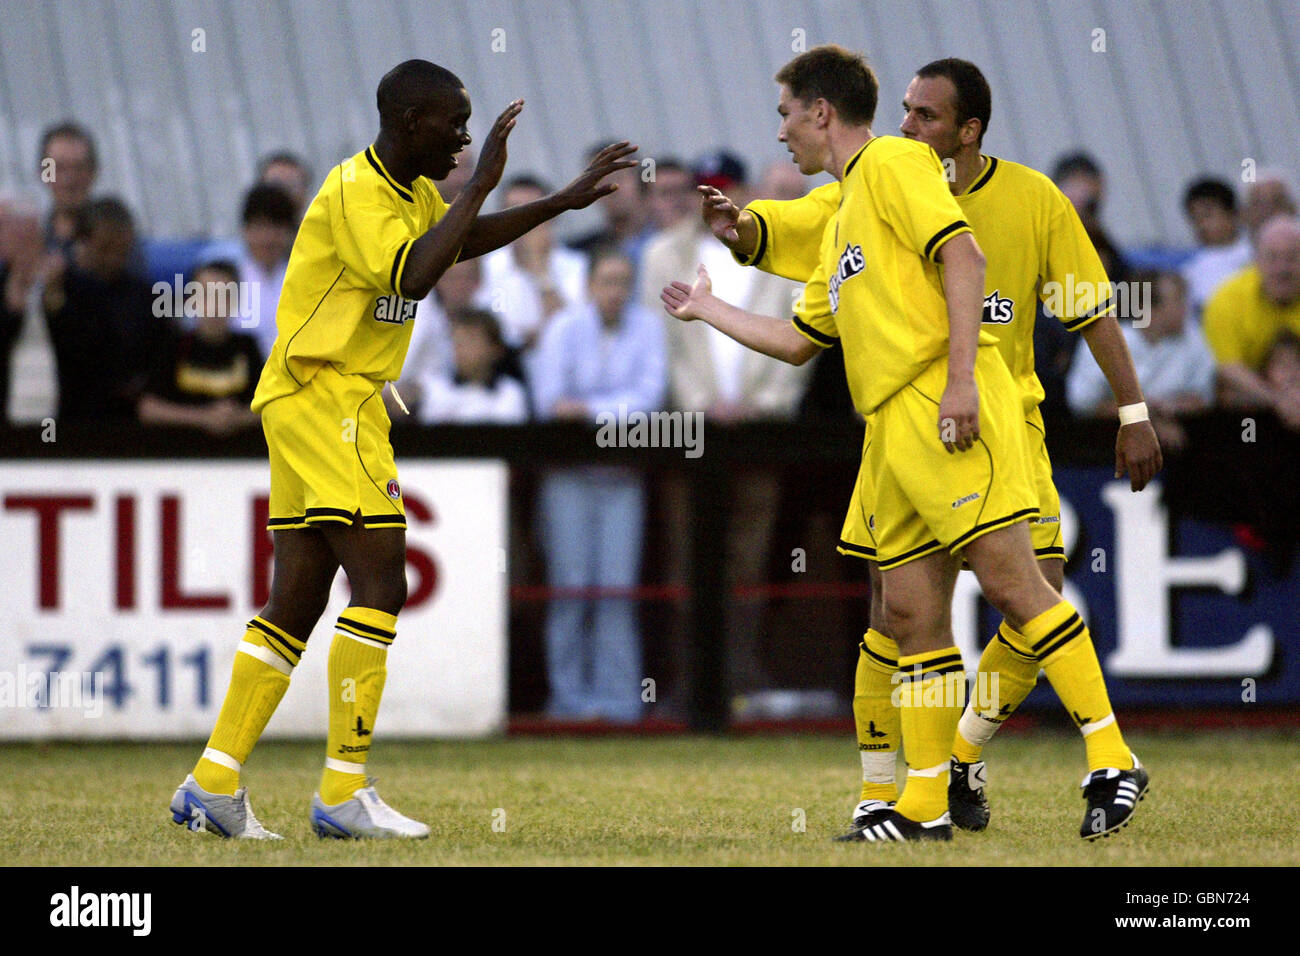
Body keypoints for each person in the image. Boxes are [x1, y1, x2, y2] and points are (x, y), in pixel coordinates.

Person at [664, 46, 1154, 842]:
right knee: (907, 610)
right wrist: (706, 309)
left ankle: (1110, 755)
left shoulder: (896, 165)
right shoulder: (849, 205)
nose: (782, 133)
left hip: (944, 398)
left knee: (1012, 582)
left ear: (820, 112)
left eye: (786, 114)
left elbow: (967, 254)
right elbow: (796, 340)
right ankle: (918, 803)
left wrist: (961, 380)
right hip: (891, 422)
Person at [169, 58, 635, 840]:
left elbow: (455, 243)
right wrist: (482, 181)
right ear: (409, 121)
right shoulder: (355, 189)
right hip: (327, 396)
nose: (461, 136)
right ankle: (343, 793)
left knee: (300, 596)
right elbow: (415, 276)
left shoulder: (410, 192)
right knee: (383, 574)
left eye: (465, 127)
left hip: (318, 396)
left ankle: (212, 782)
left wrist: (556, 201)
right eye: (453, 122)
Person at [639, 154, 811, 707]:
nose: (711, 197)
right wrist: (701, 406)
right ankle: (691, 681)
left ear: (743, 190)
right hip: (689, 436)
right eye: (703, 188)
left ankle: (741, 675)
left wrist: (760, 406)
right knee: (686, 558)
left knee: (751, 560)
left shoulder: (777, 254)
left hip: (760, 435)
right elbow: (659, 349)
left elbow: (801, 339)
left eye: (724, 187)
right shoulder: (663, 255)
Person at [532, 247, 666, 722]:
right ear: (588, 285)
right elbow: (550, 400)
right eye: (607, 280)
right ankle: (568, 703)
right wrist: (612, 409)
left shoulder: (649, 327)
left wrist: (587, 409)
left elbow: (650, 401)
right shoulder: (563, 328)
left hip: (623, 476)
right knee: (570, 588)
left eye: (623, 281)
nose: (616, 291)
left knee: (616, 589)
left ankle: (620, 703)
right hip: (567, 476)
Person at [41, 197, 156, 423]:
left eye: (122, 251)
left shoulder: (142, 295)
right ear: (80, 243)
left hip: (129, 423)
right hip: (71, 420)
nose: (114, 259)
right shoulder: (59, 290)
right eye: (104, 249)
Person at [1068, 270, 1215, 443]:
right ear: (1150, 309)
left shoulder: (1193, 337)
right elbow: (1084, 405)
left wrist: (1167, 409)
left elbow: (1203, 398)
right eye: (1178, 301)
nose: (1186, 308)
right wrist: (1146, 418)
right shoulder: (1104, 341)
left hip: (1184, 435)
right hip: (1106, 439)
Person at [137, 260, 263, 436]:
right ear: (192, 300)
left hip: (239, 459)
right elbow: (149, 409)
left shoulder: (247, 347)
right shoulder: (174, 345)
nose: (214, 305)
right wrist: (203, 417)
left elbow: (272, 406)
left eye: (224, 295)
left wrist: (238, 418)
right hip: (181, 457)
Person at [1203, 215, 1300, 426]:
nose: (1282, 268)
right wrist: (1279, 400)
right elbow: (1227, 366)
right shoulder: (1226, 298)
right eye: (1272, 258)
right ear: (1256, 260)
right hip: (1249, 410)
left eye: (1292, 257)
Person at [413, 307, 528, 424]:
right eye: (458, 342)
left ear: (495, 349)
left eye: (471, 341)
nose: (462, 350)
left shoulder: (510, 394)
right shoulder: (434, 390)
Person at [1181, 178, 1252, 316]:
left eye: (1207, 215)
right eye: (1195, 219)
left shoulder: (1262, 250)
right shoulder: (1191, 274)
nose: (1201, 225)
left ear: (1233, 213)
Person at [38, 122, 98, 252]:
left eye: (79, 167)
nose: (69, 180)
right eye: (59, 168)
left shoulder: (120, 247)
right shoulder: (30, 250)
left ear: (93, 172)